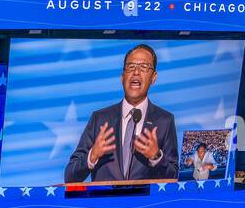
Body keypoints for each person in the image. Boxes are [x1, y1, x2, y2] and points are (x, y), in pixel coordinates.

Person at [64, 44, 179, 183]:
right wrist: (92, 156)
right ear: (122, 77)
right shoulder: (100, 119)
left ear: (153, 77)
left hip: (144, 204)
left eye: (143, 67)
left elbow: (174, 177)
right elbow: (70, 176)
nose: (136, 72)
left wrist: (156, 156)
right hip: (105, 203)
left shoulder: (164, 121)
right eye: (130, 67)